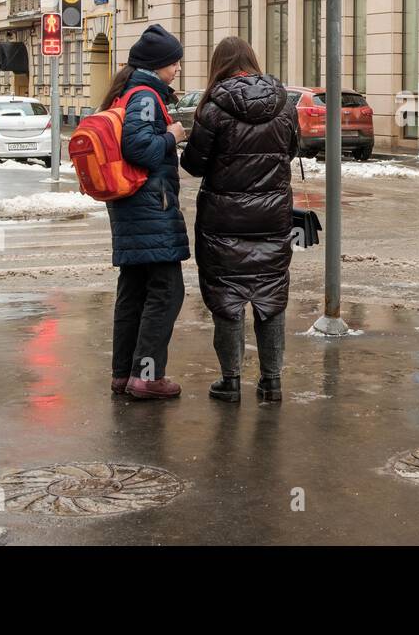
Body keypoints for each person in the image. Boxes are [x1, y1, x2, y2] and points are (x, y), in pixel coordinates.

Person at [180, 36, 299, 403]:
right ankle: (272, 381)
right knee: (272, 293)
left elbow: (195, 166)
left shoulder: (214, 107)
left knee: (227, 295)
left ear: (220, 64)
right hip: (273, 217)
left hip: (223, 220)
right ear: (252, 60)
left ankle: (230, 382)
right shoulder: (284, 103)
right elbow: (292, 150)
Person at [102, 24, 190, 399]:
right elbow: (140, 148)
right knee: (166, 291)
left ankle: (124, 374)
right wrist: (175, 136)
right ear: (158, 65)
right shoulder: (144, 97)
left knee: (134, 290)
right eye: (175, 62)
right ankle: (147, 377)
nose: (178, 69)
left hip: (131, 207)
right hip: (151, 208)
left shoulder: (127, 92)